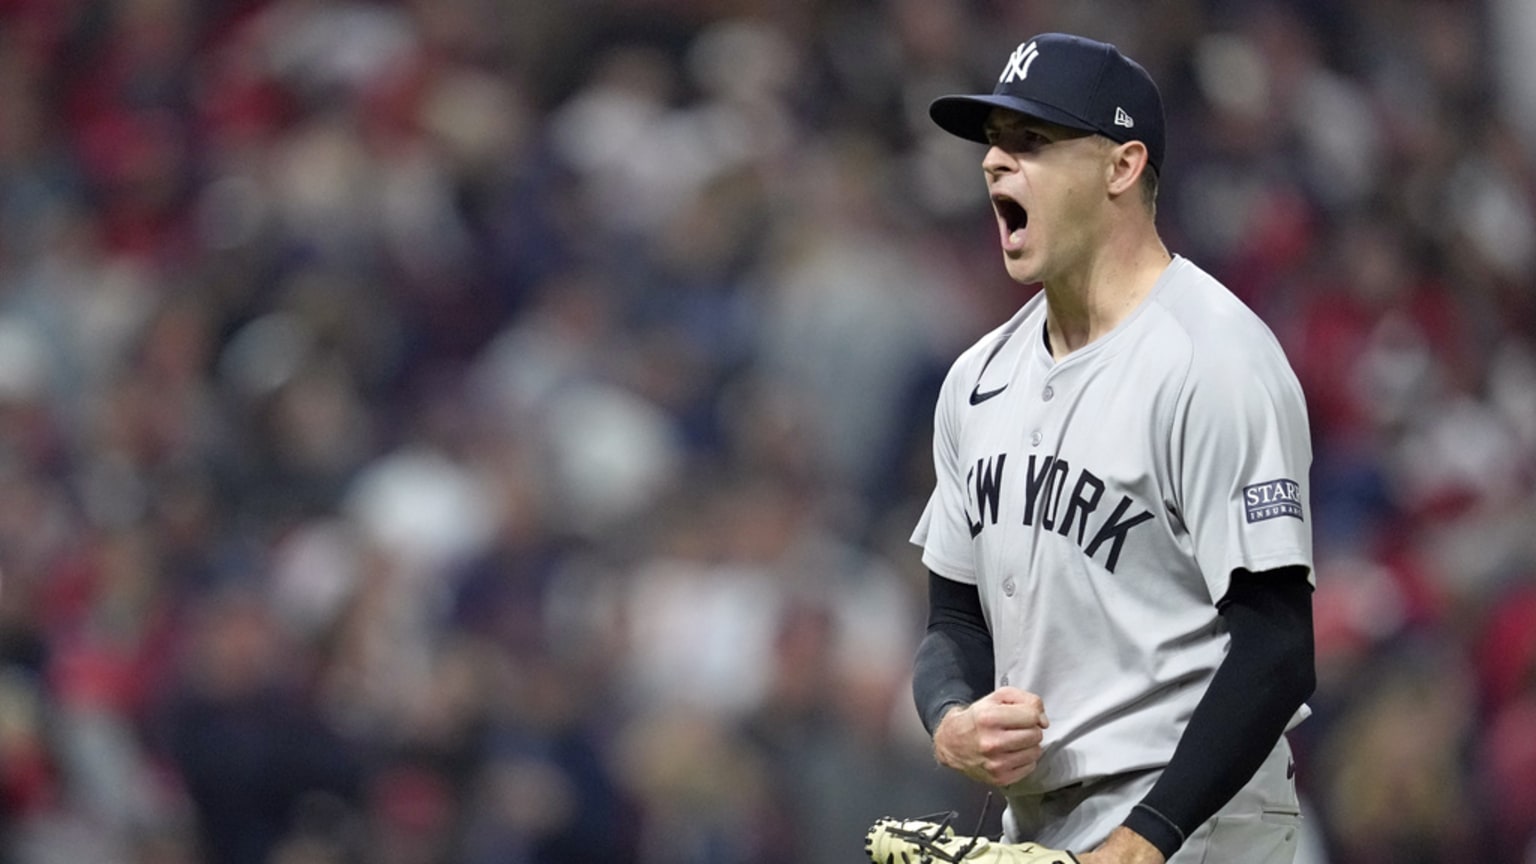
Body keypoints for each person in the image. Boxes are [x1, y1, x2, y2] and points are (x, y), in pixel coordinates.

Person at [904, 32, 1317, 864]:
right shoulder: (977, 378)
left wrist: (1147, 838)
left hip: (1199, 824)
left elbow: (1277, 651)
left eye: (1032, 142)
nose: (993, 164)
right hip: (1042, 828)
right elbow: (952, 615)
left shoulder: (1214, 361)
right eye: (993, 142)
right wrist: (953, 720)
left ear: (1122, 167)